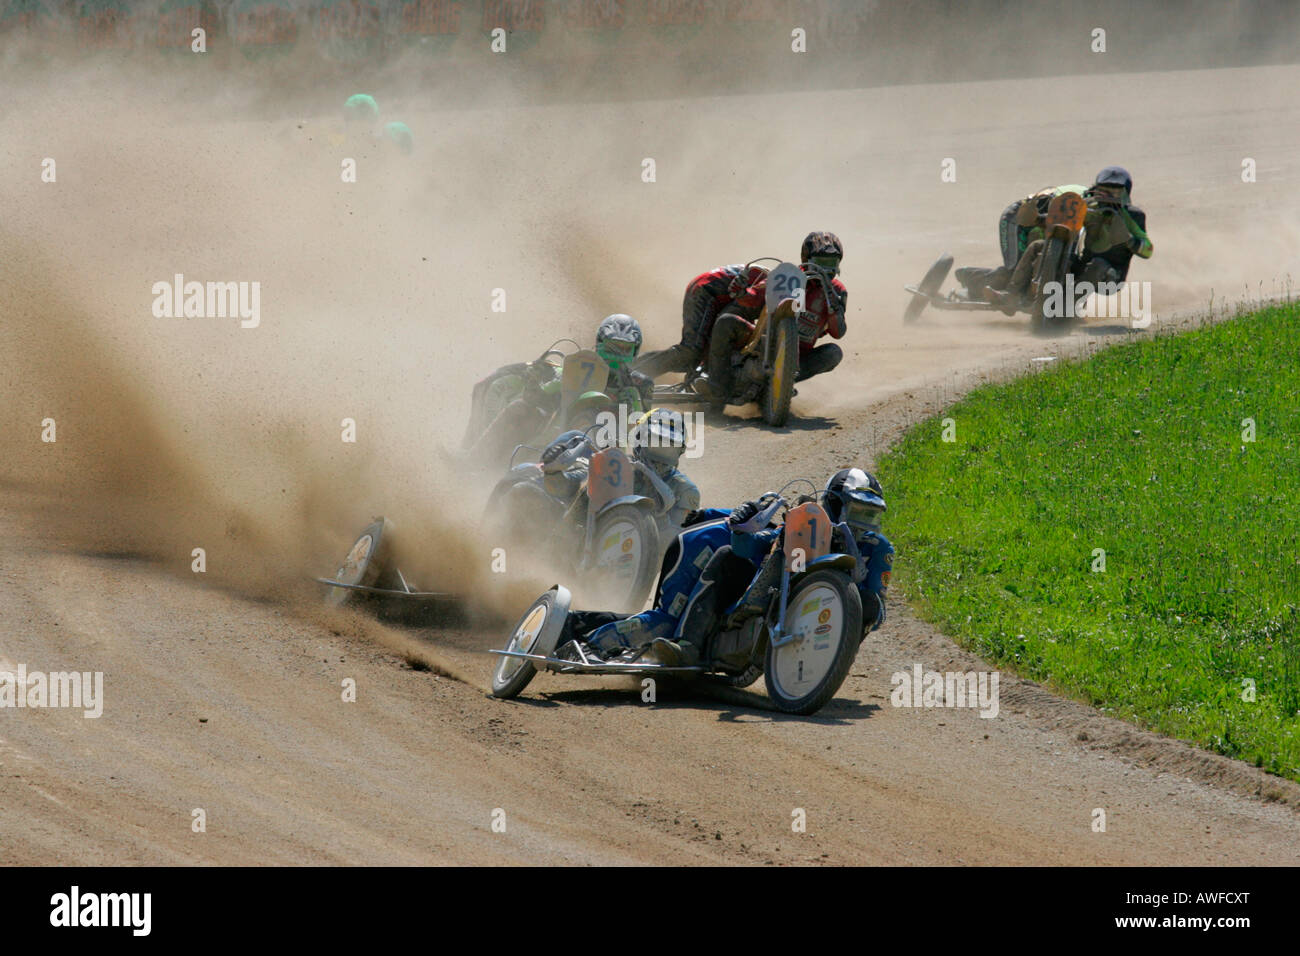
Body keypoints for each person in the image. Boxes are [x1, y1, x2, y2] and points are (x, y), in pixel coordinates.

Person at [555, 466, 893, 667]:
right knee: (665, 620)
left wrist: (860, 593)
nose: (865, 526)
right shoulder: (799, 530)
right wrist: (742, 523)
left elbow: (876, 609)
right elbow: (747, 546)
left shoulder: (879, 551)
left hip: (816, 637)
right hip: (735, 597)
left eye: (872, 516)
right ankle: (575, 634)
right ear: (834, 506)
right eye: (858, 513)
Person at [958, 167, 1153, 313]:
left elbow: (1147, 249)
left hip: (1107, 273)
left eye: (1115, 191)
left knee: (1094, 265)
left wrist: (1128, 241)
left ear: (1126, 193)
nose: (1107, 196)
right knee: (1021, 263)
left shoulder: (1131, 216)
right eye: (1103, 190)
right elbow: (1051, 228)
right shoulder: (1083, 203)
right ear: (1095, 188)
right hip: (1021, 220)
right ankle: (990, 287)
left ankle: (1063, 304)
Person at [466, 314, 653, 465]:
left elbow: (642, 435)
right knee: (519, 408)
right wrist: (535, 385)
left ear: (634, 350)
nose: (617, 354)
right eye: (613, 346)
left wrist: (633, 408)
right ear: (600, 343)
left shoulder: (640, 384)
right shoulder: (578, 367)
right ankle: (474, 460)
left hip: (609, 448)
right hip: (556, 432)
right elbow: (537, 398)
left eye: (624, 348)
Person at [702, 231, 849, 400]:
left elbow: (838, 333)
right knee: (726, 322)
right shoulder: (789, 276)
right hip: (763, 342)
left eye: (831, 263)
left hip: (799, 358)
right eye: (821, 262)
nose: (825, 269)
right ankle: (717, 389)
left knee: (833, 353)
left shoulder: (838, 291)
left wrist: (834, 307)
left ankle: (782, 384)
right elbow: (755, 297)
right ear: (806, 258)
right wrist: (741, 292)